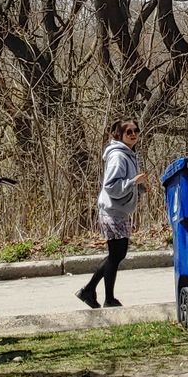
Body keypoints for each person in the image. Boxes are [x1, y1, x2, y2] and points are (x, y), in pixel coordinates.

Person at [77, 118, 146, 308]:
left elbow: (125, 182)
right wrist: (133, 183)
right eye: (128, 132)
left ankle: (90, 291)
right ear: (120, 135)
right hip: (111, 211)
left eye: (136, 131)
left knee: (116, 254)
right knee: (116, 254)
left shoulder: (129, 154)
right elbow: (111, 187)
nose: (133, 134)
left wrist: (138, 187)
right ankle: (105, 298)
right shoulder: (118, 156)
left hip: (119, 211)